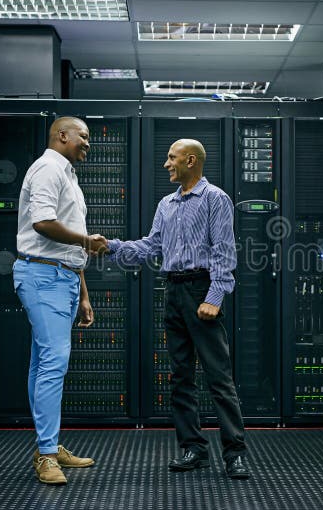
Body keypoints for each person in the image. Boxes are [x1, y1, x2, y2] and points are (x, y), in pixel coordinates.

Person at [98, 138, 250, 479]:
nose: (167, 164)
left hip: (201, 289)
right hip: (173, 291)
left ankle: (235, 453)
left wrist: (214, 298)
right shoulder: (166, 204)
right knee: (181, 377)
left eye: (172, 157)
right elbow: (151, 245)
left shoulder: (216, 199)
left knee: (219, 378)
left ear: (191, 160)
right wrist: (111, 246)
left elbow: (225, 252)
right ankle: (193, 448)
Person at [13, 116, 108, 485]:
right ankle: (47, 454)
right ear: (62, 135)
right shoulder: (47, 170)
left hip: (62, 277)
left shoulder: (68, 175)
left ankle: (46, 446)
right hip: (41, 275)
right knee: (54, 361)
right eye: (83, 137)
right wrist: (87, 242)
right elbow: (43, 223)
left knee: (43, 362)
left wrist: (83, 293)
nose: (88, 143)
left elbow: (68, 241)